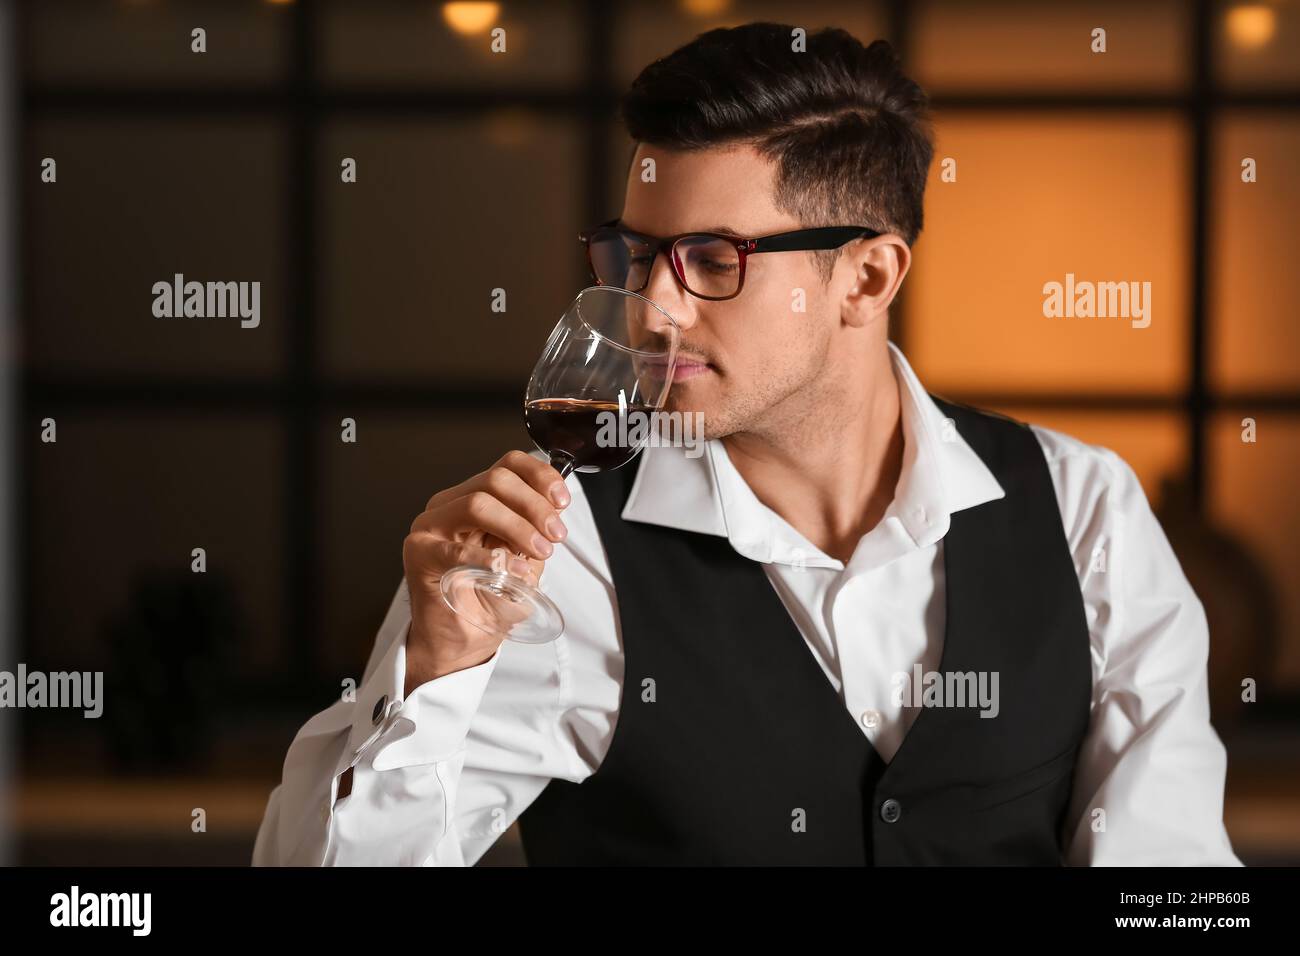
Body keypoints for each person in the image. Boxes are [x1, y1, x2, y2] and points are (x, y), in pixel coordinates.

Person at [253, 23, 1240, 866]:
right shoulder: (553, 553)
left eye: (714, 260)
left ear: (866, 278)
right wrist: (433, 675)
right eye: (636, 255)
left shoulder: (1081, 508)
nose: (655, 307)